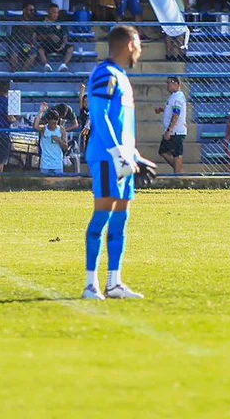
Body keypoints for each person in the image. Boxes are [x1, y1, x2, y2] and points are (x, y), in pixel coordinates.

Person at [83, 25, 157, 300]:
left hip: (123, 157)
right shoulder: (105, 74)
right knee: (102, 213)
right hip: (106, 157)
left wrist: (136, 156)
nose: (140, 48)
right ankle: (91, 283)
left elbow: (122, 124)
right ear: (128, 44)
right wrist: (116, 153)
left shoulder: (122, 77)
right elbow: (99, 116)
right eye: (138, 42)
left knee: (120, 218)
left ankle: (114, 282)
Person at [156, 76, 188, 174]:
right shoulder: (174, 96)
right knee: (163, 151)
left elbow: (176, 114)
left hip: (176, 132)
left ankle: (179, 174)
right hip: (173, 132)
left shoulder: (178, 97)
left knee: (177, 155)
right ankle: (179, 171)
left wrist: (169, 130)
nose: (167, 85)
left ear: (176, 84)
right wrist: (162, 110)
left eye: (169, 83)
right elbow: (172, 110)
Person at [35, 103, 69, 177]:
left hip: (57, 163)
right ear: (48, 121)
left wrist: (59, 140)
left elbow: (66, 147)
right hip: (45, 163)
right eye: (52, 123)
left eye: (55, 123)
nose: (53, 125)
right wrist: (41, 112)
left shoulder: (61, 130)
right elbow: (36, 126)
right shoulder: (44, 129)